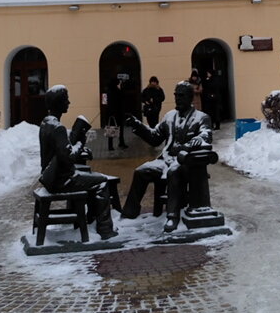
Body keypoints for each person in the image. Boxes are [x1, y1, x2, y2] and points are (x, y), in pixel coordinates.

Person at [120, 81, 212, 232]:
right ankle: (129, 213)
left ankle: (172, 217)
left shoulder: (201, 118)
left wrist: (189, 145)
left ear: (190, 97)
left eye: (181, 96)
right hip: (166, 160)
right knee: (141, 171)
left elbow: (205, 136)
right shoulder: (169, 116)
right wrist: (137, 125)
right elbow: (155, 137)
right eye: (176, 95)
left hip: (186, 164)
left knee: (173, 172)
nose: (177, 99)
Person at [38, 85, 118, 240]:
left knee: (88, 176)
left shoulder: (46, 123)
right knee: (101, 182)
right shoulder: (58, 128)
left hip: (52, 177)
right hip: (62, 180)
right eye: (66, 100)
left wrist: (77, 146)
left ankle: (91, 220)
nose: (69, 102)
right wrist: (81, 141)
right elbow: (69, 158)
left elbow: (62, 151)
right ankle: (104, 229)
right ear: (58, 103)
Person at [105, 76, 128, 150]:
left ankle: (110, 145)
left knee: (111, 129)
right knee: (119, 129)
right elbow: (122, 97)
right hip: (118, 113)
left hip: (111, 113)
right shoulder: (116, 91)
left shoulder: (109, 91)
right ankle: (121, 142)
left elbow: (106, 102)